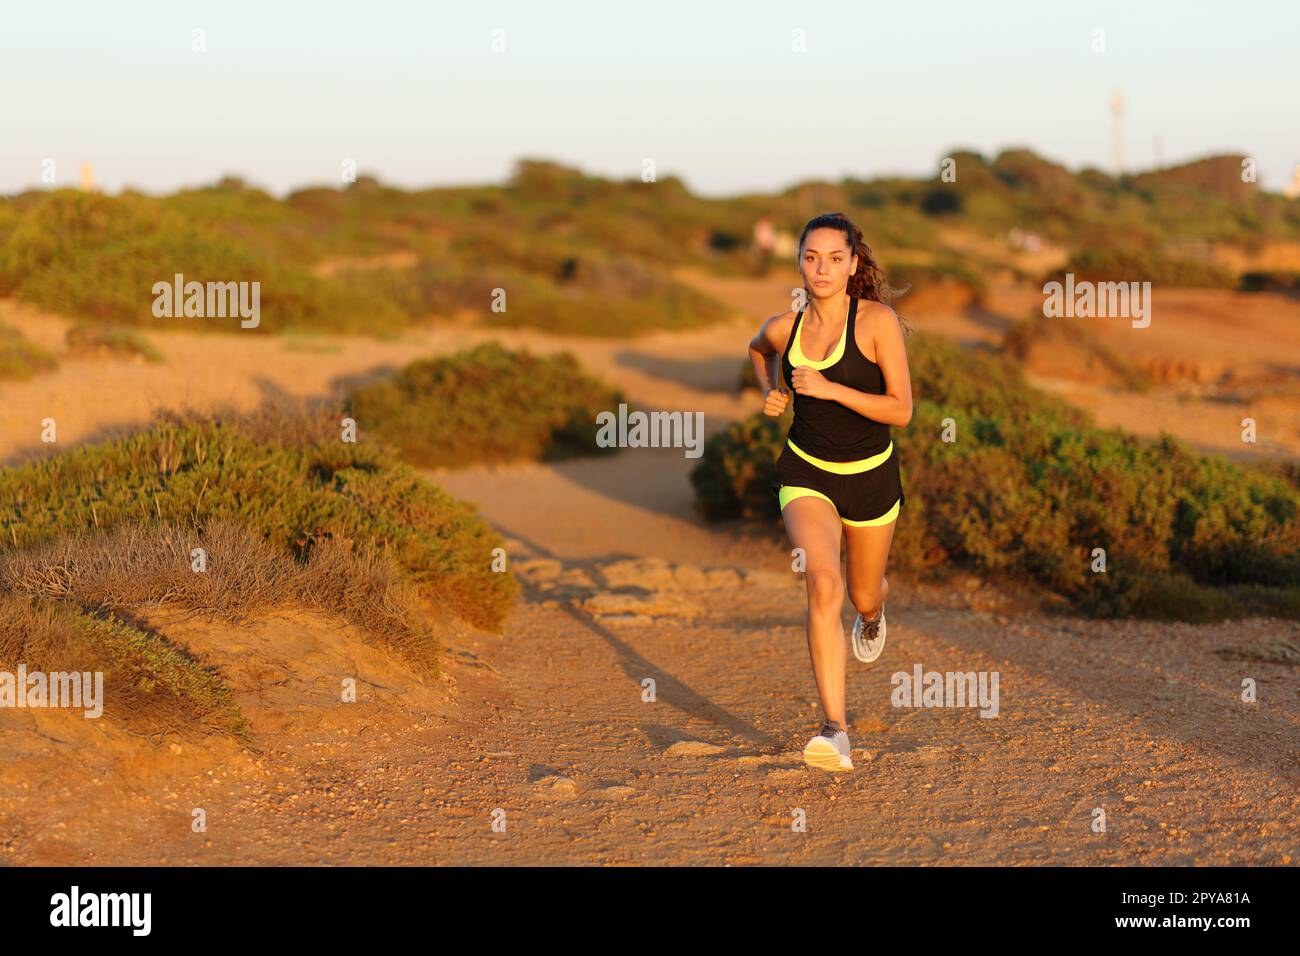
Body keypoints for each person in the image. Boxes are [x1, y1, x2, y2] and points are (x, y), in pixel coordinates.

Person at [746, 212, 913, 772]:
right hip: (806, 472)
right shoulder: (785, 328)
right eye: (811, 257)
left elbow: (902, 410)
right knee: (823, 582)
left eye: (834, 258)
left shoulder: (876, 322)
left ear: (853, 263)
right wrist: (770, 390)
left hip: (870, 478)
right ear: (799, 262)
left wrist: (829, 387)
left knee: (862, 594)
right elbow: (756, 348)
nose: (822, 268)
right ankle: (834, 730)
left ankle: (873, 611)